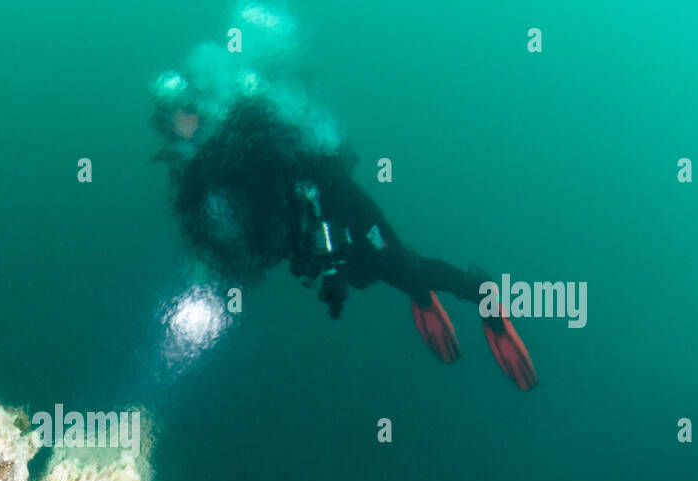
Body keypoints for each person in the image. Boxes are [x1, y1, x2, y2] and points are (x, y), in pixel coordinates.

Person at [151, 8, 537, 391]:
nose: (182, 126)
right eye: (171, 122)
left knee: (398, 266)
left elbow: (309, 184)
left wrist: (333, 263)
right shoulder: (195, 176)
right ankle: (412, 281)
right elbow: (217, 237)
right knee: (371, 271)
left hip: (340, 203)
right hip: (311, 240)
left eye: (185, 114)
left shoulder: (245, 134)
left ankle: (480, 292)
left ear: (198, 107)